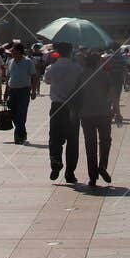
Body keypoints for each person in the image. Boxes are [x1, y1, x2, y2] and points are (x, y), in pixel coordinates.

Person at [43, 42, 84, 183]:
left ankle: (55, 161)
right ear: (71, 51)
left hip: (56, 106)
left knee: (55, 138)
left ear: (57, 52)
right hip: (73, 107)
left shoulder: (51, 68)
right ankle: (70, 173)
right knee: (72, 141)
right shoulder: (78, 68)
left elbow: (47, 81)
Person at [76, 49, 115, 188]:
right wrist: (115, 109)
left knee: (90, 144)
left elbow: (76, 95)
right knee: (105, 140)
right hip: (103, 113)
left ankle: (92, 177)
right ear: (98, 62)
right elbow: (112, 94)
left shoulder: (80, 76)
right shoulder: (105, 75)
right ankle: (102, 165)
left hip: (85, 114)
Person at [3, 43, 33, 144]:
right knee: (13, 114)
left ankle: (18, 136)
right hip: (12, 91)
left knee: (21, 113)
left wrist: (33, 91)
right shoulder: (11, 62)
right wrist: (6, 92)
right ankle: (22, 132)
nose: (12, 53)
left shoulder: (28, 62)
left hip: (24, 91)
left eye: (14, 51)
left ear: (19, 51)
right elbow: (8, 78)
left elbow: (34, 76)